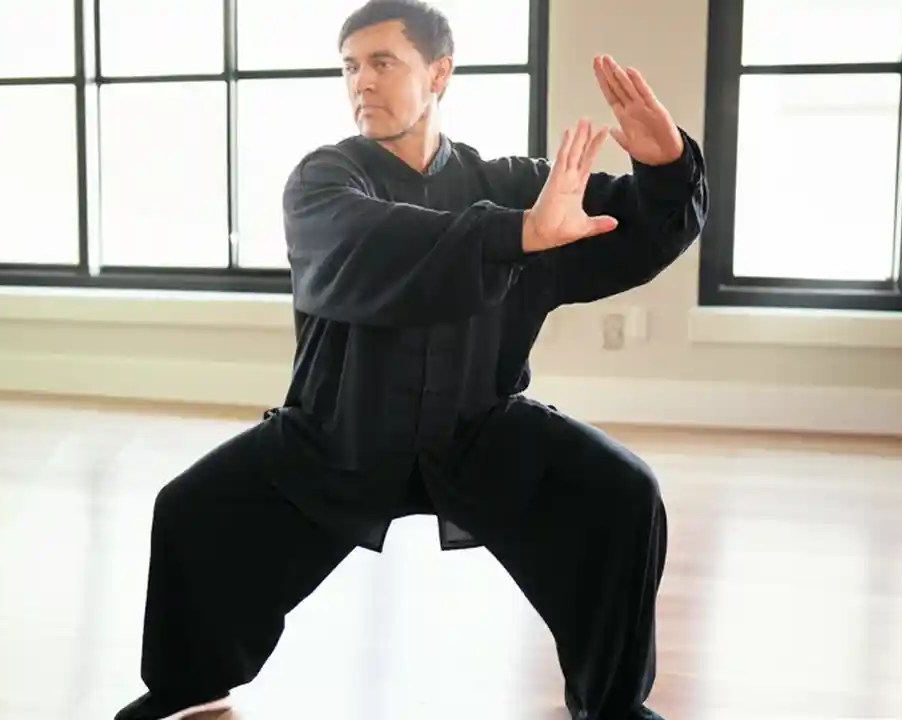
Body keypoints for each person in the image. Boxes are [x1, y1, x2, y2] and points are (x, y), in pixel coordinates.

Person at [114, 1, 707, 718]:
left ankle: (612, 705)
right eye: (350, 66)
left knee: (622, 495)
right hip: (343, 434)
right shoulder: (323, 182)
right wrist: (515, 236)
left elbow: (634, 231)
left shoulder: (513, 183)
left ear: (440, 74)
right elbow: (376, 244)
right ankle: (188, 688)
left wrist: (666, 166)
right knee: (190, 510)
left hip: (479, 430)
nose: (361, 81)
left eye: (382, 62)